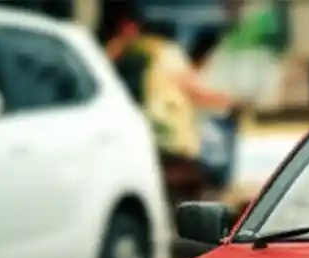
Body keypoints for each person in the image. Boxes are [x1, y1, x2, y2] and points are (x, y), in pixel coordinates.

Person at [100, 0, 244, 207]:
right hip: (170, 139)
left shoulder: (120, 50)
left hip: (137, 138)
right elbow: (195, 90)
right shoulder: (166, 52)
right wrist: (229, 101)